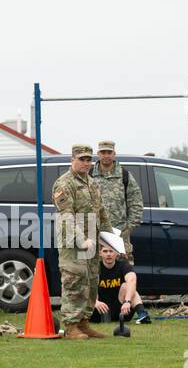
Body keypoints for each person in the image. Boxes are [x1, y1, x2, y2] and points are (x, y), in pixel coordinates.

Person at [53, 143, 114, 339]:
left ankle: (84, 322)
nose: (86, 163)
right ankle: (71, 326)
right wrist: (82, 240)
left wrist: (111, 239)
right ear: (73, 159)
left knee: (90, 281)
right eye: (82, 159)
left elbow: (101, 212)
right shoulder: (64, 183)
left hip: (92, 241)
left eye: (89, 160)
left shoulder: (92, 183)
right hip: (73, 242)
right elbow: (67, 216)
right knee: (74, 281)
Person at [92, 140, 144, 266]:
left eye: (109, 152)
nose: (106, 155)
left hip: (120, 236)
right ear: (98, 154)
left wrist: (127, 229)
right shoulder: (89, 175)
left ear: (114, 154)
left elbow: (136, 204)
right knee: (95, 277)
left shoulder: (124, 175)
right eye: (103, 152)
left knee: (125, 274)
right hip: (95, 236)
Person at [91, 233, 144, 325]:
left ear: (116, 252)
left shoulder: (123, 265)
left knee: (127, 285)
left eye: (111, 251)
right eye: (105, 251)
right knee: (91, 284)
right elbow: (87, 287)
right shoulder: (95, 267)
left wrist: (127, 302)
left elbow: (132, 279)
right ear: (100, 253)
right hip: (98, 310)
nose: (108, 254)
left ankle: (142, 314)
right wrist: (94, 302)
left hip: (122, 309)